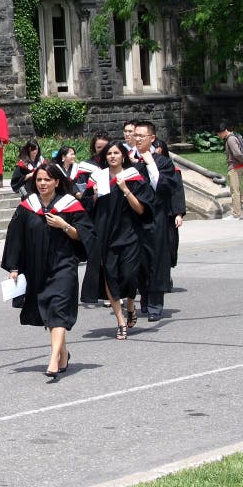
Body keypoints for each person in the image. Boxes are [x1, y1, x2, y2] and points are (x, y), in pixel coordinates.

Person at [2, 164, 95, 379]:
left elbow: (85, 236)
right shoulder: (27, 207)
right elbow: (15, 237)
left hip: (64, 265)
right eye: (39, 180)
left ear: (56, 182)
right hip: (37, 268)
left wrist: (64, 225)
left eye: (47, 180)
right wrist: (14, 267)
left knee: (59, 309)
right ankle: (63, 353)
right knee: (49, 311)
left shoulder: (70, 205)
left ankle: (53, 360)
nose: (42, 183)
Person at [80, 141, 155, 340]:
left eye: (116, 153)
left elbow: (141, 209)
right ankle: (120, 320)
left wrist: (125, 190)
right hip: (104, 236)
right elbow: (86, 209)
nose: (112, 156)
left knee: (130, 275)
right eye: (109, 153)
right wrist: (94, 196)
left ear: (123, 156)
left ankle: (131, 304)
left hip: (129, 234)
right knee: (110, 276)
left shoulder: (132, 177)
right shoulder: (98, 178)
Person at [132, 120, 179, 323]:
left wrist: (150, 163)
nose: (137, 139)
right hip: (135, 220)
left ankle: (155, 304)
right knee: (139, 261)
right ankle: (144, 298)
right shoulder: (130, 162)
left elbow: (164, 188)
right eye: (135, 135)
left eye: (141, 135)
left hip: (157, 218)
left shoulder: (162, 162)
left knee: (156, 260)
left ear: (152, 138)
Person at [154, 138, 185, 280]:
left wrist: (178, 213)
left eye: (159, 147)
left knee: (169, 244)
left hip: (169, 213)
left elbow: (177, 191)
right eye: (155, 147)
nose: (157, 150)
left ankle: (166, 274)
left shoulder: (172, 169)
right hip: (153, 213)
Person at [216, 122, 243, 220]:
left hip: (235, 168)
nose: (218, 136)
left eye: (218, 134)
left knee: (234, 191)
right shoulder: (232, 137)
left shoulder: (230, 139)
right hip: (238, 167)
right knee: (238, 190)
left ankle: (236, 214)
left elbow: (237, 153)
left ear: (223, 132)